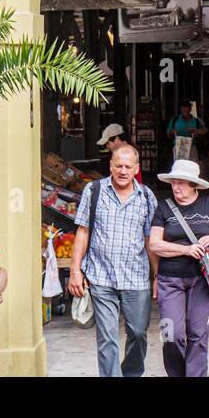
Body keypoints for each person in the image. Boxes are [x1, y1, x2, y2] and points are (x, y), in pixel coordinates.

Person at [68, 145, 158, 377]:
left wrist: (158, 276)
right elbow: (83, 232)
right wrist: (75, 270)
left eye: (128, 166)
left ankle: (131, 373)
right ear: (111, 166)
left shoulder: (147, 197)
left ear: (136, 168)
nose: (123, 171)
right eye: (118, 165)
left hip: (136, 277)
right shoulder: (94, 190)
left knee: (138, 333)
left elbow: (150, 241)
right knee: (107, 337)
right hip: (101, 276)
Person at [148, 159, 209, 377]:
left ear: (194, 185)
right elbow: (154, 244)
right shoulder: (163, 207)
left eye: (182, 183)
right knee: (171, 335)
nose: (176, 187)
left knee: (197, 334)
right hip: (169, 279)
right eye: (174, 182)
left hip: (202, 280)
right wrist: (186, 250)